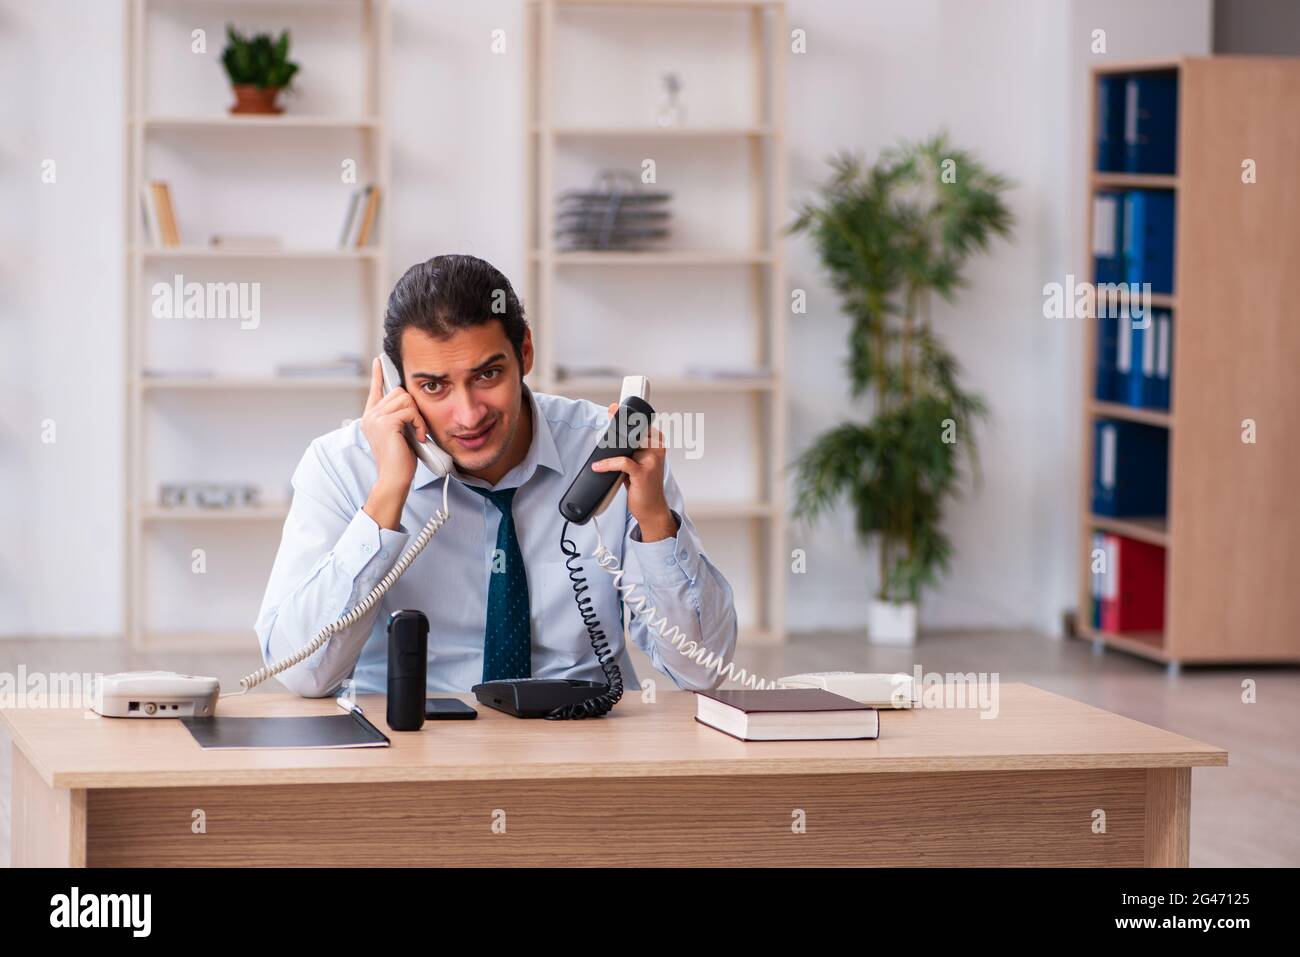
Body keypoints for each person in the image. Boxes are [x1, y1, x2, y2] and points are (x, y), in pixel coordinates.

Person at [254, 253, 738, 698]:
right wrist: (386, 497)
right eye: (433, 386)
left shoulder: (608, 453)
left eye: (487, 375)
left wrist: (654, 520)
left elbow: (704, 670)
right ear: (398, 385)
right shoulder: (341, 466)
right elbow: (304, 675)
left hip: (582, 745)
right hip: (408, 745)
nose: (467, 415)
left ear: (524, 353)